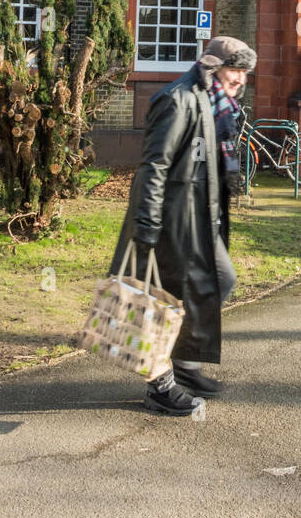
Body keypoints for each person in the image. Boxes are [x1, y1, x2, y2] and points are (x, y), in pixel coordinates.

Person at [109, 35, 256, 415]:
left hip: (198, 219)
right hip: (172, 221)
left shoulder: (215, 103)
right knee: (161, 301)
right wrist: (147, 225)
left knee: (217, 281)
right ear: (212, 67)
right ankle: (160, 385)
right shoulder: (178, 99)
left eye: (244, 71)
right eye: (234, 68)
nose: (240, 78)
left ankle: (184, 365)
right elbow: (154, 166)